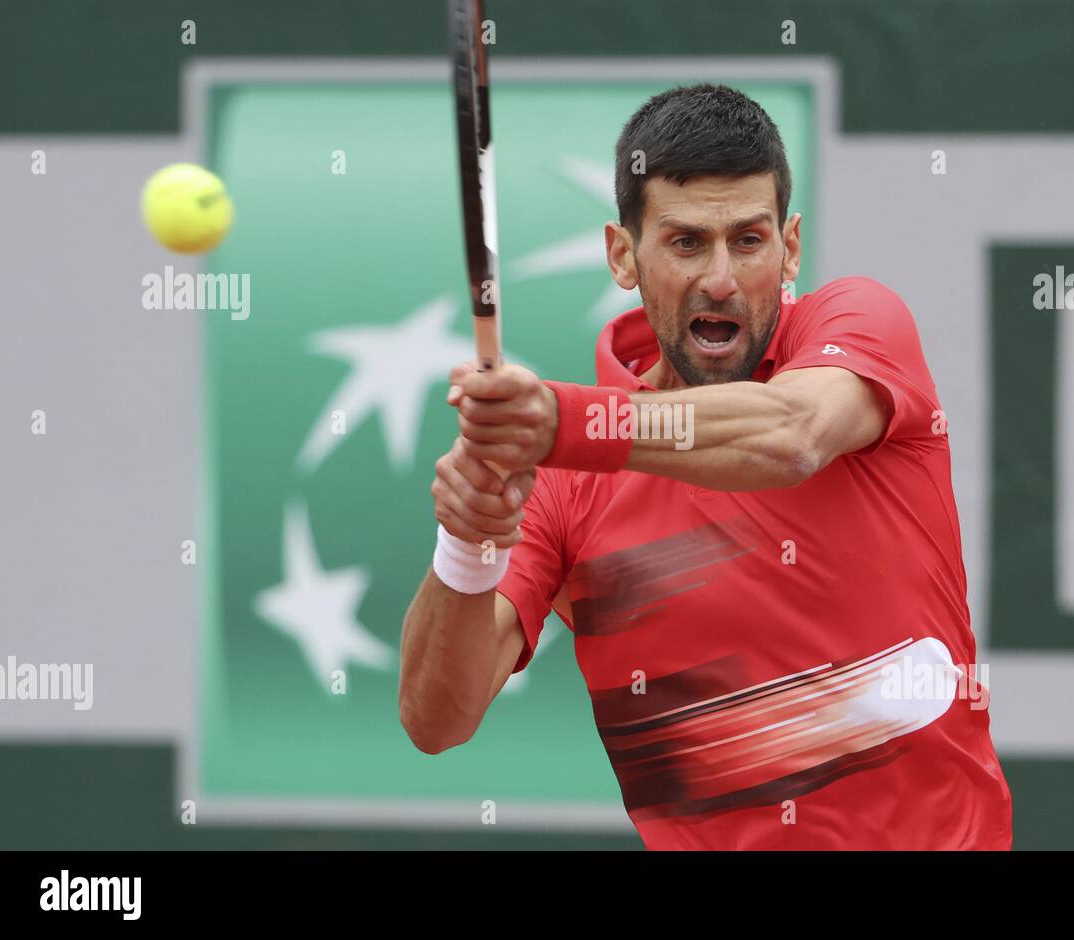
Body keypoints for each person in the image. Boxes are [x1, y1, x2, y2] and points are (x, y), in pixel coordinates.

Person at [400, 83, 1012, 850]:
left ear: (791, 247)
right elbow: (436, 718)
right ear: (624, 256)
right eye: (687, 243)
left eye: (748, 241)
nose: (721, 278)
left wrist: (562, 421)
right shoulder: (565, 485)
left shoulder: (858, 324)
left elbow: (792, 438)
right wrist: (465, 543)